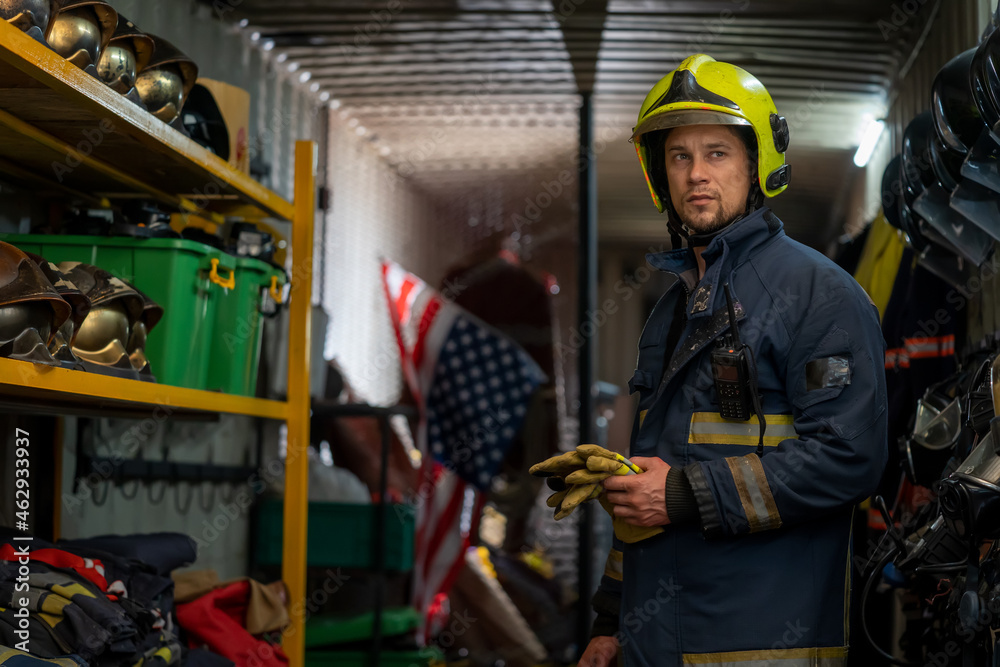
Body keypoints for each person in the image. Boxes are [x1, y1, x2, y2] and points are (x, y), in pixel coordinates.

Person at [580, 54, 888, 667]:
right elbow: (653, 477)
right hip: (654, 646)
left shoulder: (818, 294)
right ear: (658, 172)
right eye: (679, 155)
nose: (697, 174)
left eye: (717, 153)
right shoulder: (670, 312)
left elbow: (849, 458)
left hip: (761, 644)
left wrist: (684, 496)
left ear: (755, 165)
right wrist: (613, 620)